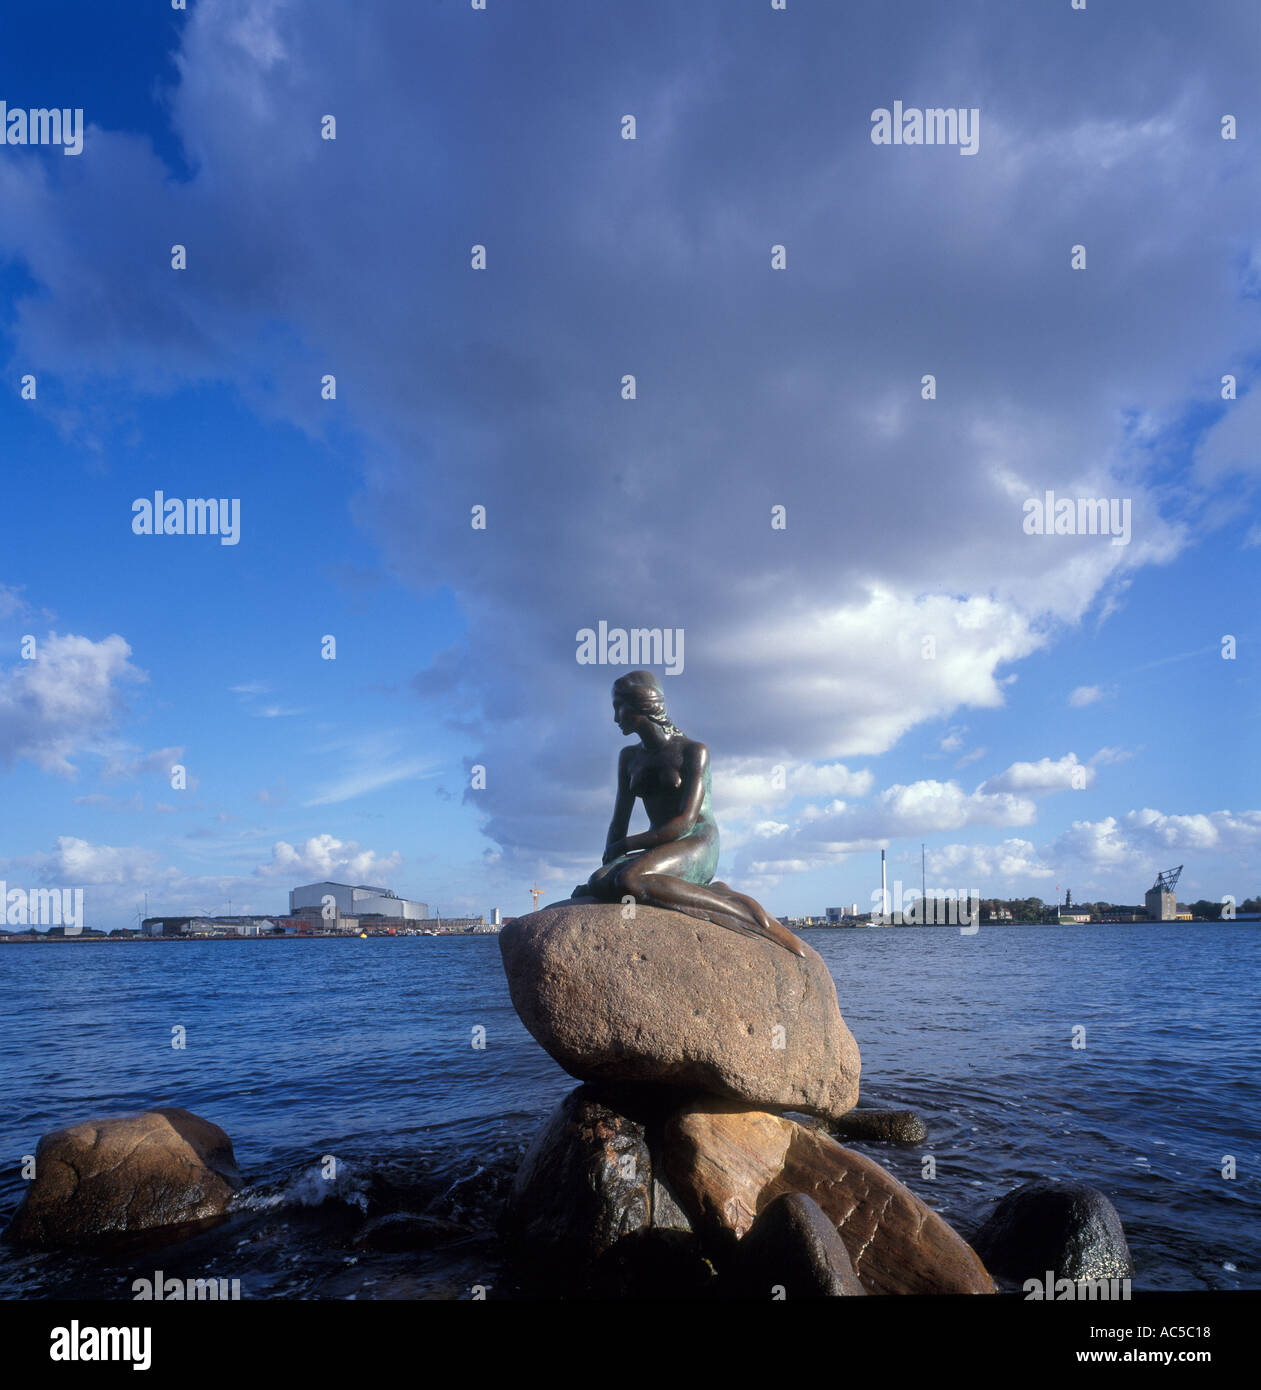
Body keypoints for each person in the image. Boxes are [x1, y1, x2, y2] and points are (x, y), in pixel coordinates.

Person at [574, 670, 805, 957]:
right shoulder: (629, 757)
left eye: (619, 708)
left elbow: (684, 823)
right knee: (600, 881)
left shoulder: (693, 751)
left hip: (695, 841)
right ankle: (707, 890)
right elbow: (619, 817)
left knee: (629, 880)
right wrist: (611, 854)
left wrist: (625, 846)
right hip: (661, 844)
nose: (615, 718)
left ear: (642, 706)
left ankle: (739, 910)